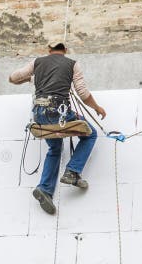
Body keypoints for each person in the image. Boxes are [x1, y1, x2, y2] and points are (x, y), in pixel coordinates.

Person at [9, 42, 106, 215]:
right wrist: (97, 107)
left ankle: (45, 189)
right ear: (65, 51)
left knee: (54, 148)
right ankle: (72, 172)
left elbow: (13, 78)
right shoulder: (72, 64)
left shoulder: (37, 63)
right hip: (59, 113)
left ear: (48, 50)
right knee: (91, 134)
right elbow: (82, 93)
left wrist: (31, 77)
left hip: (39, 115)